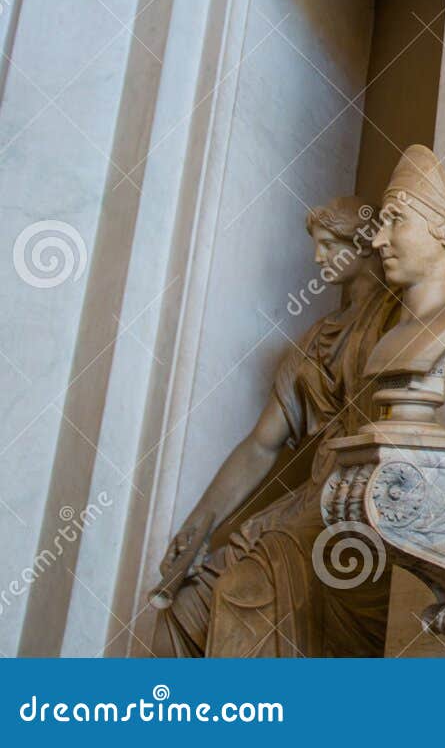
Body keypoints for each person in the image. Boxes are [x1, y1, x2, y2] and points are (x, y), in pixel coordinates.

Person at [152, 197, 396, 657]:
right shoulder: (317, 338)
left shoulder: (397, 320)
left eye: (328, 244)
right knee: (189, 599)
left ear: (364, 244)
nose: (317, 257)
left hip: (367, 499)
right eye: (316, 245)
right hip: (317, 496)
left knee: (249, 585)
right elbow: (261, 445)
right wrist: (199, 525)